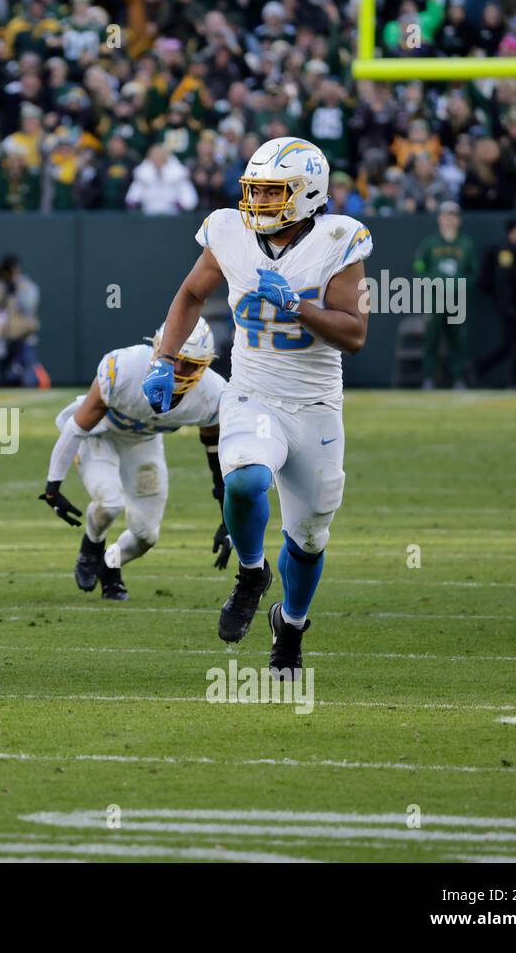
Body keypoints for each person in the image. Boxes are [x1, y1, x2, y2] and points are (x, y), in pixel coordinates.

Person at [144, 136, 371, 676]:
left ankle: (290, 627)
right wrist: (163, 358)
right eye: (255, 192)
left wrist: (298, 307)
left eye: (274, 193)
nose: (259, 205)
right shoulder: (228, 230)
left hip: (315, 404)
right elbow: (190, 295)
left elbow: (355, 334)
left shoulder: (340, 240)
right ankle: (251, 572)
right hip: (253, 393)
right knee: (245, 481)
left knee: (310, 537)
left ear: (308, 193)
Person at [40, 320, 230, 601]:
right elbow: (77, 427)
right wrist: (52, 488)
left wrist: (229, 518)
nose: (177, 371)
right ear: (159, 350)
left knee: (146, 535)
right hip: (101, 434)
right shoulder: (125, 368)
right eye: (174, 359)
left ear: (204, 365)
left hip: (143, 442)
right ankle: (91, 545)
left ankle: (110, 565)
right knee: (110, 503)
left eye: (189, 364)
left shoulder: (212, 395)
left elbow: (216, 457)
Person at [413, 201, 476, 390]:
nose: (449, 220)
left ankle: (458, 378)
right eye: (446, 215)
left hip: (457, 301)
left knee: (458, 340)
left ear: (459, 220)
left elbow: (473, 272)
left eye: (453, 216)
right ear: (440, 219)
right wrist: (429, 281)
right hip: (434, 299)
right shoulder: (430, 243)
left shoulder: (466, 244)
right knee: (431, 339)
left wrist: (461, 287)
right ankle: (429, 378)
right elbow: (418, 266)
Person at [475, 218, 516, 387]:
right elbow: (502, 280)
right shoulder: (506, 252)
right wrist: (507, 307)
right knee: (512, 345)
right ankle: (480, 369)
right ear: (513, 231)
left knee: (515, 344)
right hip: (509, 306)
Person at [0, 255, 45, 387]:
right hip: (0, 338)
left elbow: (29, 307)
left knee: (28, 376)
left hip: (23, 338)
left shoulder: (26, 285)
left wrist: (15, 291)